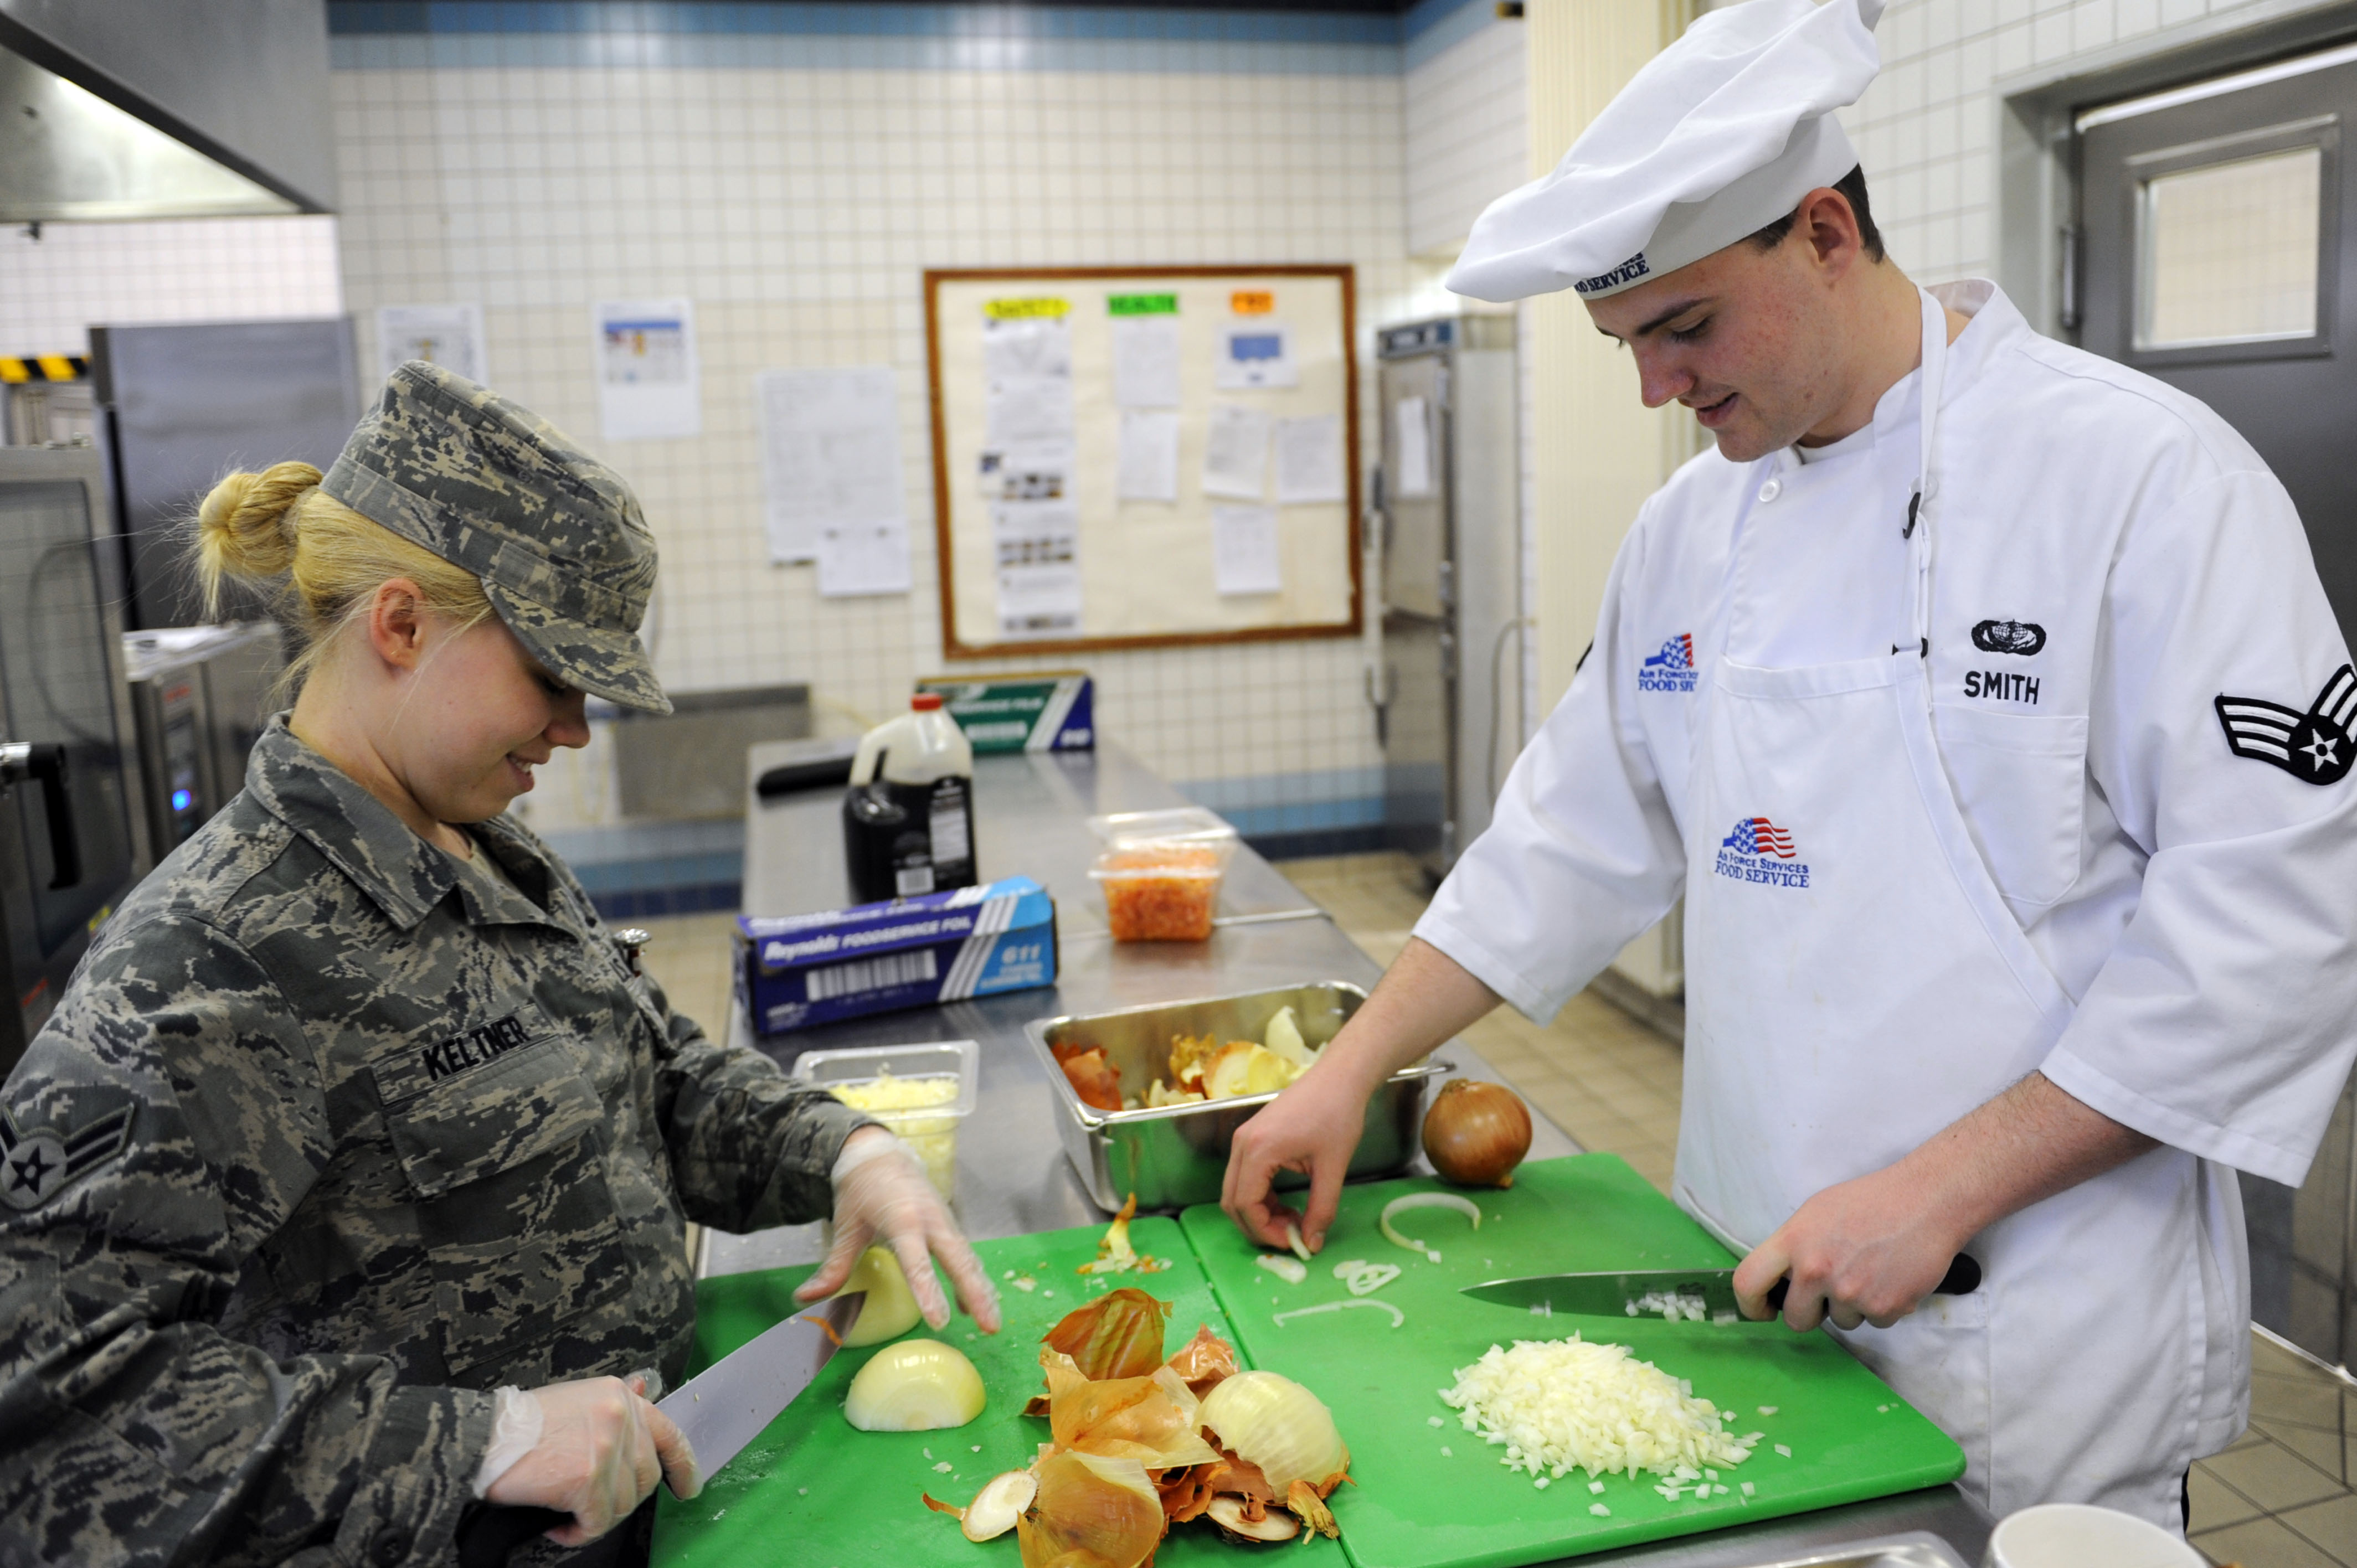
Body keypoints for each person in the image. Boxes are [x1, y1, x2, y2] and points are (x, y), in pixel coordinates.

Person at [1222, 0, 2357, 1531]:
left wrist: (1945, 1185)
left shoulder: (2139, 479)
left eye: (1684, 329)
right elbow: (1563, 840)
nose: (1657, 394)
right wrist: (1346, 1074)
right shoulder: (1689, 532)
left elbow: (2278, 923)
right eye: (1626, 346)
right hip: (1755, 1265)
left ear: (1826, 231)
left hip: (2030, 1308)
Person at [0, 362, 1000, 1567]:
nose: (578, 729)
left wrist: (843, 1149)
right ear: (403, 624)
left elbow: (650, 1079)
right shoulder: (209, 963)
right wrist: (483, 1443)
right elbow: (42, 1413)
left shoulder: (482, 847)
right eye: (551, 675)